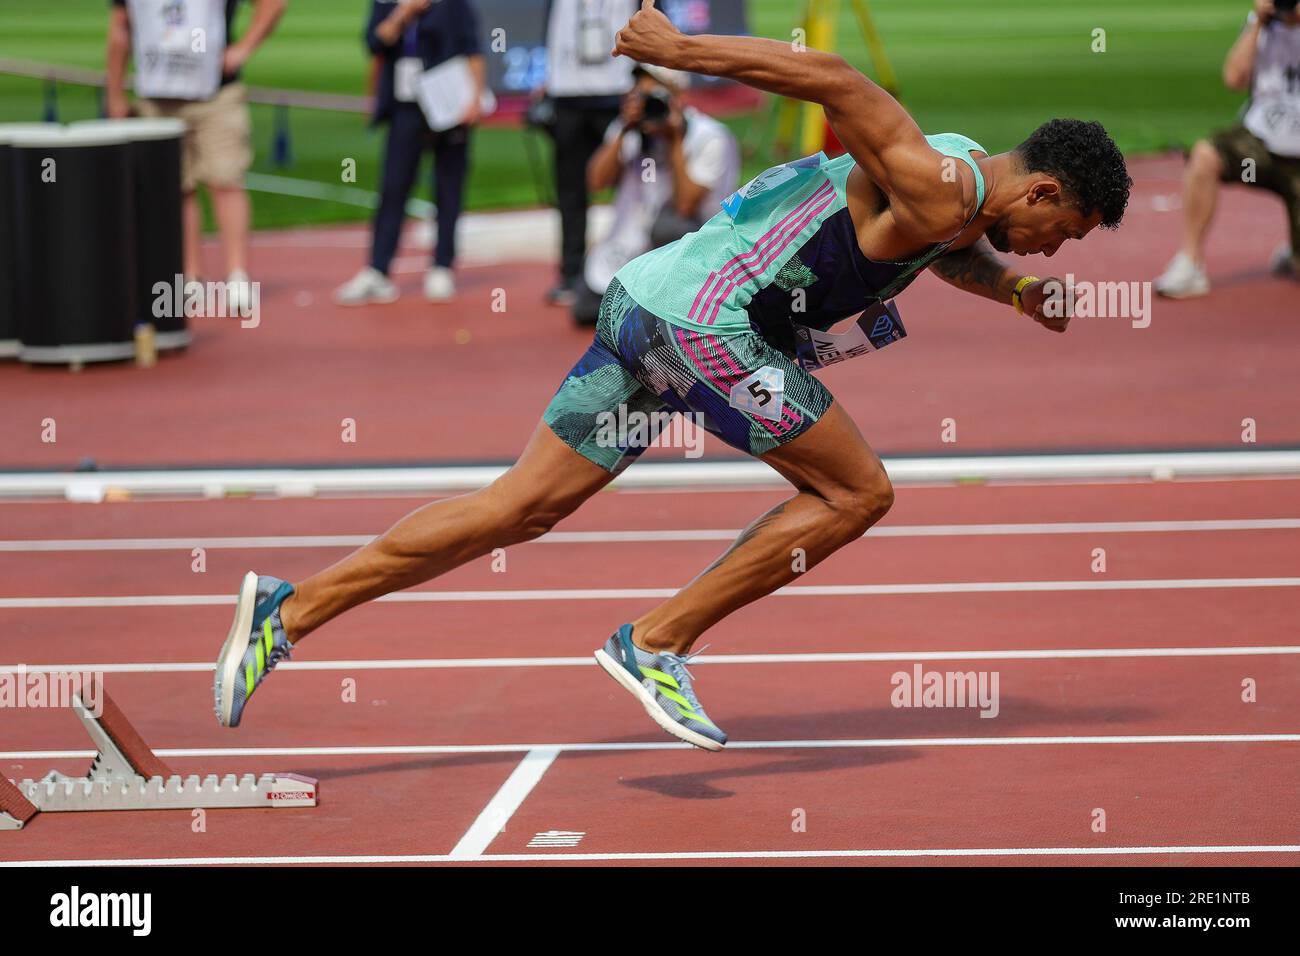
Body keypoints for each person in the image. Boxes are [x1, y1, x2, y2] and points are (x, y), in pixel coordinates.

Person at [213, 0, 1130, 752]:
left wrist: (1014, 291)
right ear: (1043, 192)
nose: (1058, 251)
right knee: (858, 493)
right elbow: (839, 81)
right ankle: (655, 641)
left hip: (650, 306)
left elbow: (937, 249)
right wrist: (679, 49)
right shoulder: (945, 184)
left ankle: (289, 612)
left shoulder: (960, 195)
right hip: (706, 322)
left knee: (518, 509)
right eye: (1067, 234)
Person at [105, 0, 287, 311]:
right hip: (156, 95)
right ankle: (190, 278)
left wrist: (241, 50)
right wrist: (115, 92)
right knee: (177, 189)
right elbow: (120, 26)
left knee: (225, 180)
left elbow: (274, 3)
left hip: (215, 94)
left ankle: (237, 277)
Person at [335, 0, 486, 305]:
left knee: (448, 187)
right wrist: (405, 12)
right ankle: (378, 270)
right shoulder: (386, 2)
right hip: (405, 106)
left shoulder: (453, 5)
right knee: (393, 188)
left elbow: (473, 49)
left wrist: (475, 97)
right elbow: (374, 43)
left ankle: (442, 266)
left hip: (448, 102)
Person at [573, 63, 739, 326]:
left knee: (668, 227)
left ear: (678, 97)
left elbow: (685, 205)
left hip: (691, 242)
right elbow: (596, 182)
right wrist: (625, 129)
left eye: (655, 98)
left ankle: (679, 303)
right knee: (585, 311)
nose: (647, 106)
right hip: (629, 246)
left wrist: (674, 139)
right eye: (641, 96)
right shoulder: (629, 129)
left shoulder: (709, 136)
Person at [1155, 0, 1300, 298]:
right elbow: (1234, 78)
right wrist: (1257, 22)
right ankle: (1190, 263)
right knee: (1206, 155)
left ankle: (1294, 249)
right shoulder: (1263, 25)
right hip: (1262, 146)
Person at [539, 0, 637, 307]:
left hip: (616, 93)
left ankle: (631, 269)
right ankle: (571, 274)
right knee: (571, 191)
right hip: (567, 95)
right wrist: (550, 79)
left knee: (630, 187)